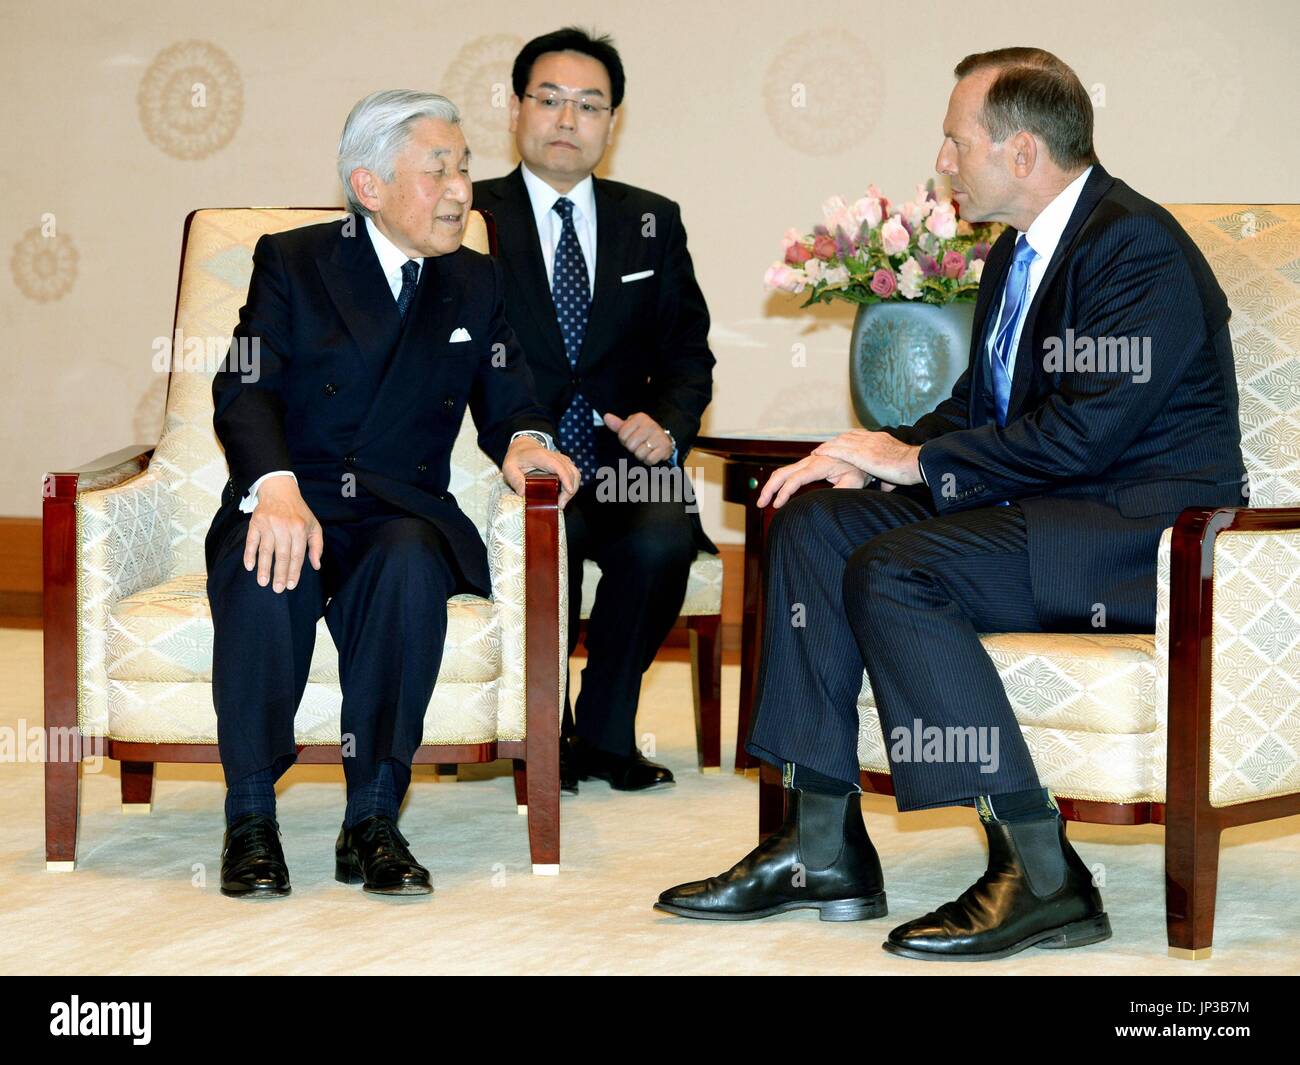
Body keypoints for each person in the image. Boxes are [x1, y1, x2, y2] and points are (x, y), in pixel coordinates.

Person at [655, 47, 1245, 961]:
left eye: (953, 140)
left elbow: (1083, 436)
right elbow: (980, 405)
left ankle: (1043, 869)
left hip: (1139, 535)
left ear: (1019, 153)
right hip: (1047, 510)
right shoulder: (1018, 247)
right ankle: (820, 847)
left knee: (898, 569)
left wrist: (913, 458)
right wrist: (873, 461)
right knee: (814, 520)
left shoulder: (1135, 246)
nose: (941, 161)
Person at [206, 90, 578, 900]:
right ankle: (251, 819)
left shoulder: (476, 280)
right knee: (269, 569)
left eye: (464, 168)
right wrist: (269, 487)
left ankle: (372, 818)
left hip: (398, 512)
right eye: (435, 170)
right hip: (293, 496)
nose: (458, 190)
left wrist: (526, 441)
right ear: (368, 186)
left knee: (412, 562)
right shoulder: (296, 261)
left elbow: (512, 393)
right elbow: (244, 385)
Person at [474, 28, 716, 794]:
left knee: (660, 537)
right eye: (549, 99)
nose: (567, 119)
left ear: (613, 121)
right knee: (549, 543)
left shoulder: (652, 218)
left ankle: (607, 731)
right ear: (516, 109)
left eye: (589, 104)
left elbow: (688, 351)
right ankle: (541, 735)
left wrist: (668, 424)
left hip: (620, 462)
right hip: (516, 461)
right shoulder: (469, 218)